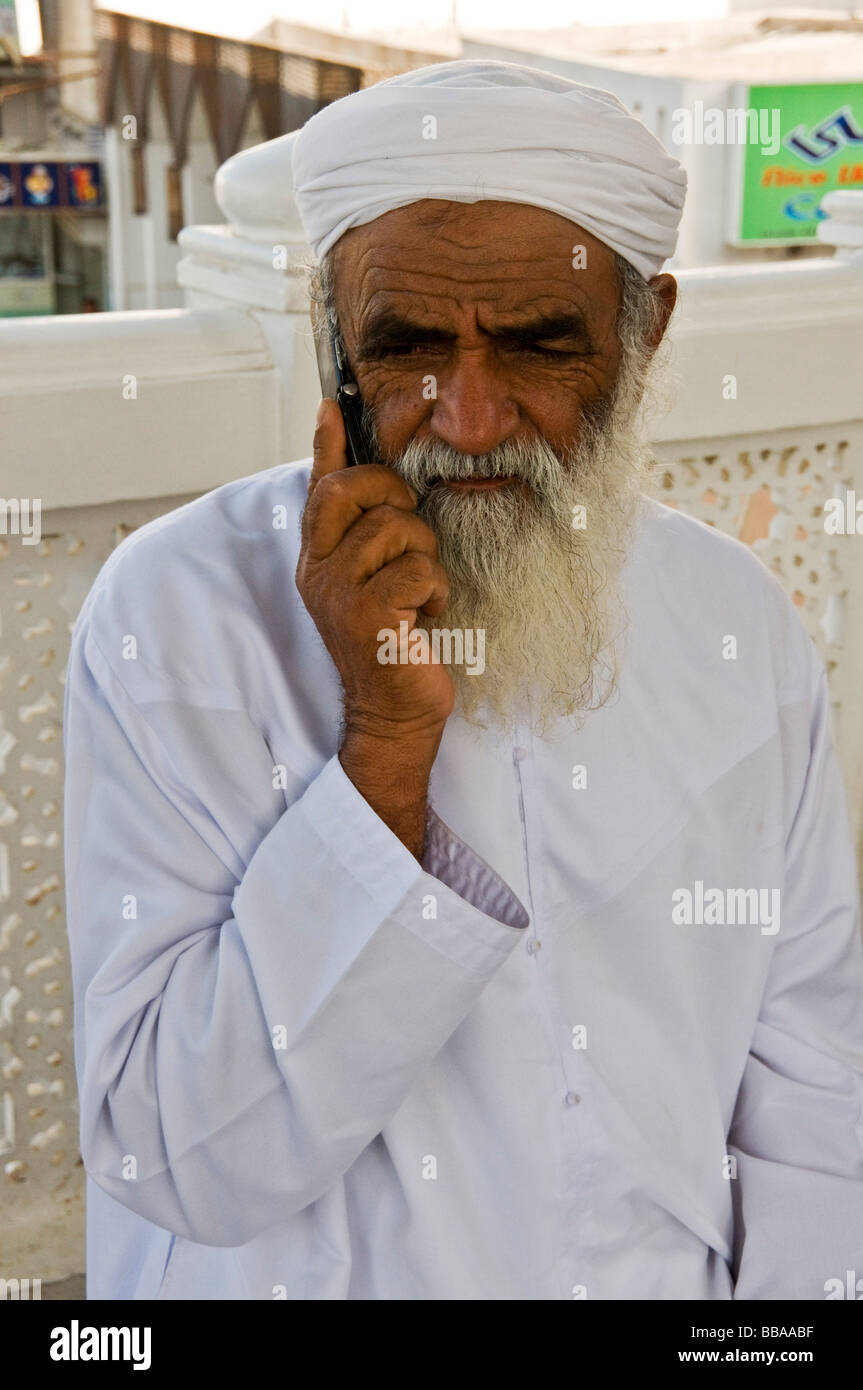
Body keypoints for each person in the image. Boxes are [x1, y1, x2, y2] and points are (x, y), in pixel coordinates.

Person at [63, 60, 863, 1301]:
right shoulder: (173, 617)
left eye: (540, 346)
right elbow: (169, 1154)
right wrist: (383, 751)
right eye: (408, 346)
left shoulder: (733, 623)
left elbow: (811, 1087)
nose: (471, 416)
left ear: (642, 334)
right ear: (335, 344)